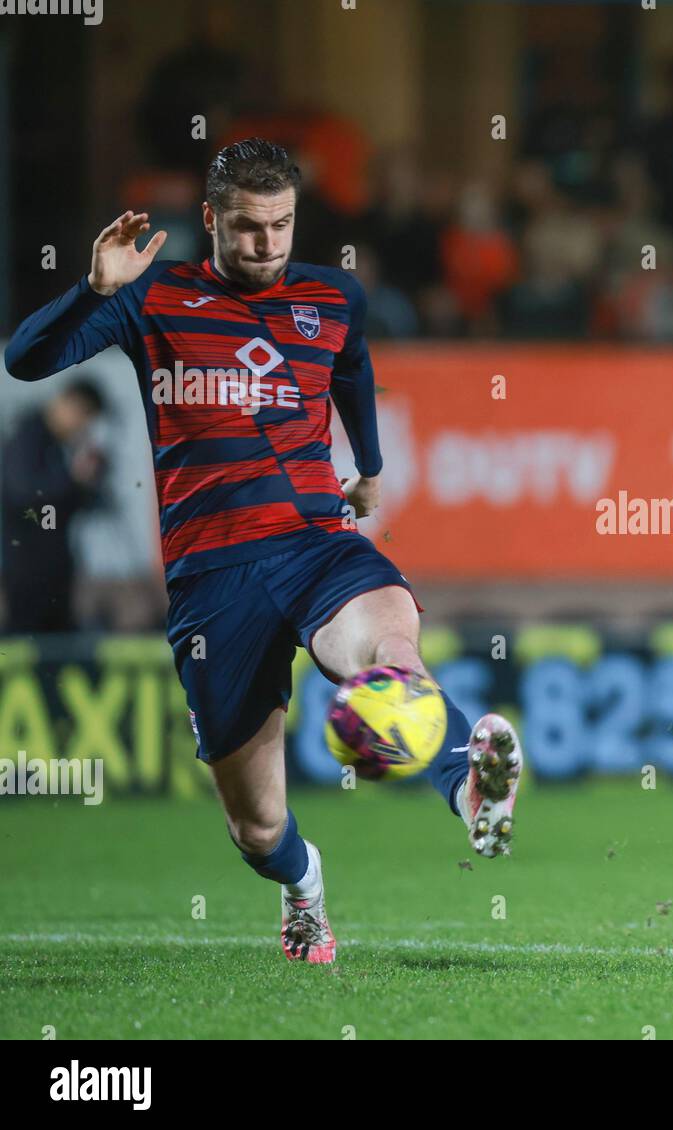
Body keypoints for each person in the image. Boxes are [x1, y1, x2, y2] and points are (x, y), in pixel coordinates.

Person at [4, 138, 523, 965]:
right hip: (213, 578)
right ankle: (304, 885)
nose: (267, 245)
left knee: (388, 654)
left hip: (317, 542)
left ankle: (470, 787)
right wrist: (92, 289)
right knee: (258, 826)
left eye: (281, 225)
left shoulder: (331, 295)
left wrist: (373, 470)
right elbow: (23, 361)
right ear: (209, 219)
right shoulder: (152, 295)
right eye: (248, 227)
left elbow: (352, 371)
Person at [0, 379, 107, 633]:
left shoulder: (57, 446)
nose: (82, 427)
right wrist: (74, 479)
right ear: (69, 403)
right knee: (32, 646)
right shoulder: (28, 436)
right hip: (29, 570)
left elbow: (64, 508)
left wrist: (88, 484)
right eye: (84, 416)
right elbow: (25, 496)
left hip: (53, 570)